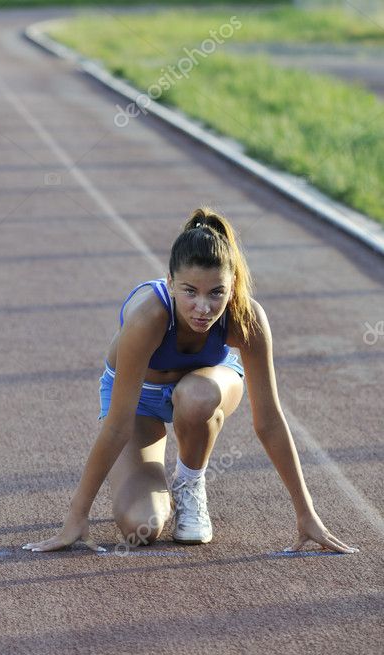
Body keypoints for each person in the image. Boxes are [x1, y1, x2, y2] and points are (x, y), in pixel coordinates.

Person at [23, 208, 356, 554]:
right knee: (142, 526)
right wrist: (77, 515)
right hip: (140, 402)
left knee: (195, 394)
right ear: (169, 281)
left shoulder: (246, 318)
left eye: (216, 292)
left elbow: (269, 421)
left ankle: (190, 483)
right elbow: (118, 425)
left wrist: (306, 513)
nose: (203, 307)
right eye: (190, 291)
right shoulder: (148, 317)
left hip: (203, 390)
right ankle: (153, 490)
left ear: (232, 288)